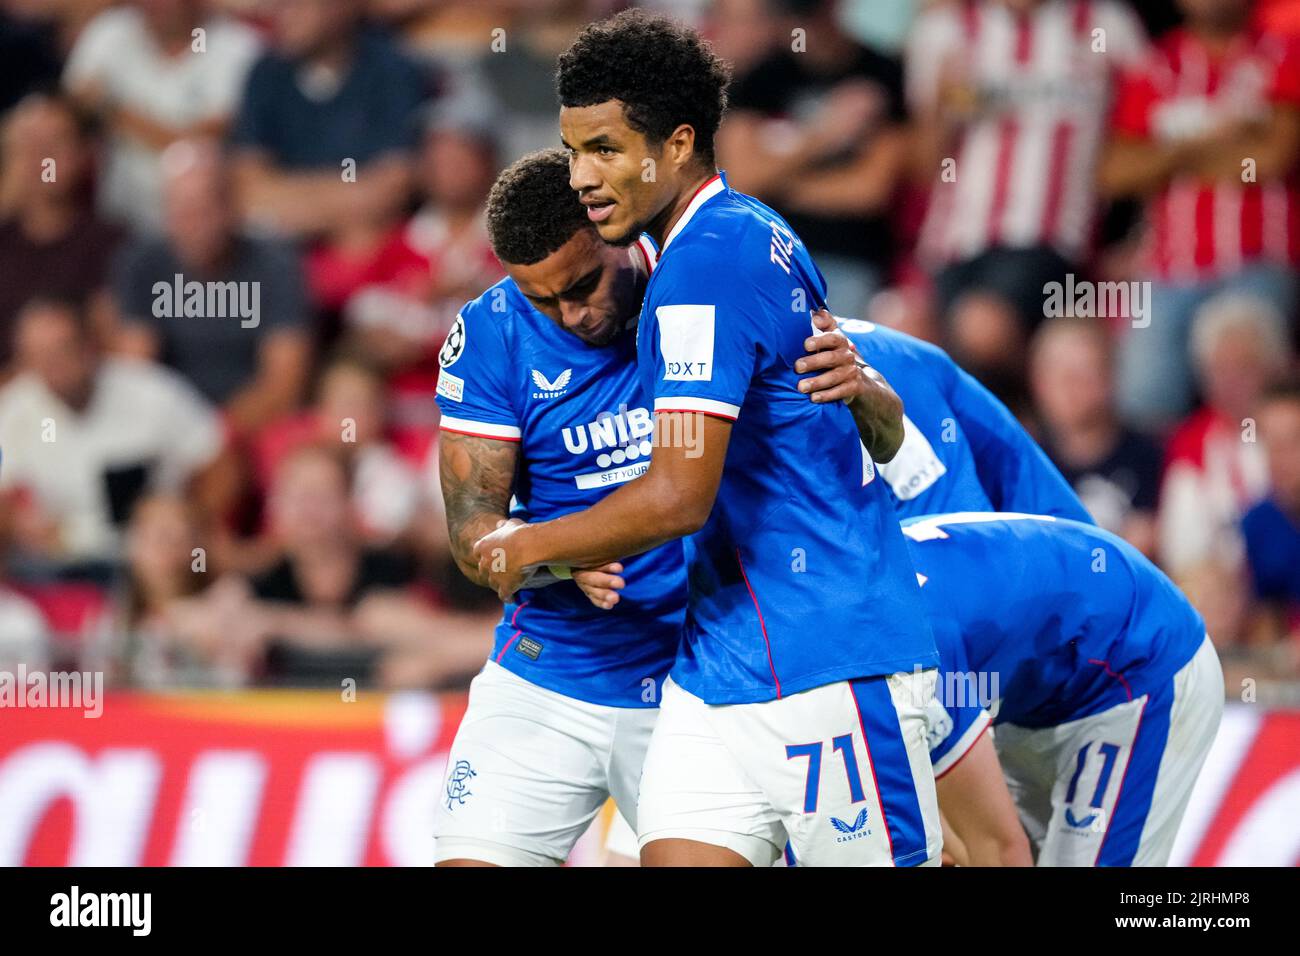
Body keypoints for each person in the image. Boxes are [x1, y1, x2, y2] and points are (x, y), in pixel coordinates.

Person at [475, 11, 940, 868]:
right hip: (718, 664)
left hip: (826, 658)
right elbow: (837, 401)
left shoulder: (700, 273)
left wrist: (525, 544)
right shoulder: (757, 227)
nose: (582, 177)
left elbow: (679, 496)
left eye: (606, 150)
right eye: (574, 150)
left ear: (677, 142)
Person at [432, 149, 892, 867]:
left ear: (614, 230)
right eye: (543, 300)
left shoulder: (703, 286)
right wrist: (555, 555)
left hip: (700, 680)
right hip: (551, 673)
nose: (572, 315)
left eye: (583, 284)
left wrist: (864, 385)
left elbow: (877, 439)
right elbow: (472, 540)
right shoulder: (490, 337)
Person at [903, 511, 1224, 867]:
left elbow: (1001, 849)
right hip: (1031, 680)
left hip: (1132, 664)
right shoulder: (870, 593)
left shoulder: (911, 651)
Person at [1102, 0, 1300, 428]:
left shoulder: (1283, 51)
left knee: (1250, 386)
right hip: (1169, 268)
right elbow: (1116, 173)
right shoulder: (1156, 63)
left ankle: (1254, 488)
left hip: (1258, 258)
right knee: (1143, 394)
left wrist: (1166, 154)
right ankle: (1177, 487)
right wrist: (1218, 141)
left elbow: (1273, 158)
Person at [0, 297, 231, 572]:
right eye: (39, 356)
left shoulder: (150, 390)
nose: (53, 366)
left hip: (153, 560)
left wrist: (189, 520)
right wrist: (18, 525)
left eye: (63, 350)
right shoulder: (15, 408)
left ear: (90, 345)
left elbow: (222, 461)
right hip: (60, 562)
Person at [718, 0, 910, 319]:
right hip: (767, 254)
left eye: (809, 12)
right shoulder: (761, 77)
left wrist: (776, 185)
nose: (803, 26)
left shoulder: (880, 73)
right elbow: (740, 180)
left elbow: (869, 192)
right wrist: (825, 133)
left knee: (830, 350)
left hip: (848, 258)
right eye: (791, 13)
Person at [111, 139, 311, 435]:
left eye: (204, 211)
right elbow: (137, 374)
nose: (194, 226)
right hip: (170, 426)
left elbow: (284, 384)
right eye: (182, 212)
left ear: (232, 208)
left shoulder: (276, 263)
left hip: (252, 425)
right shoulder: (142, 263)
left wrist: (215, 434)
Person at [62, 0, 261, 233]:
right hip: (118, 221)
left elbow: (193, 143)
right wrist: (81, 109)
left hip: (202, 229)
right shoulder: (109, 32)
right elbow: (65, 116)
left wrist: (110, 110)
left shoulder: (239, 48)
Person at [0, 92, 123, 370]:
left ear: (84, 153)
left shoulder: (116, 245)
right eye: (27, 144)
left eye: (54, 142)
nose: (42, 158)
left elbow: (117, 349)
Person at [1029, 316, 1163, 557]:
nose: (1069, 388)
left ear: (1110, 378)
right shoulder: (1027, 466)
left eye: (1084, 374)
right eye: (1058, 373)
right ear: (1038, 383)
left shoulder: (1150, 457)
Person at [1241, 379, 1300, 665]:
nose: (1280, 457)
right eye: (1270, 442)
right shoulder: (1258, 522)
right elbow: (1265, 620)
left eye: (1293, 441)